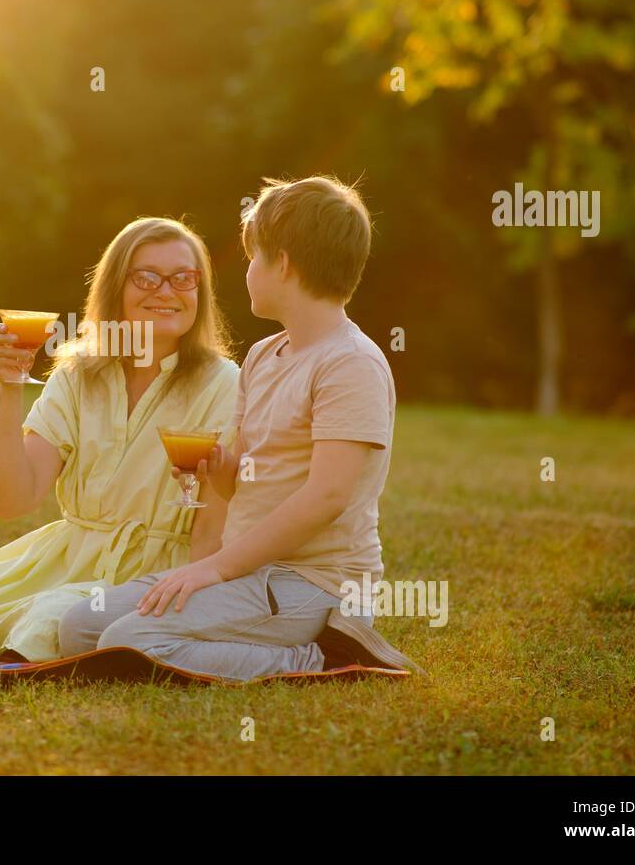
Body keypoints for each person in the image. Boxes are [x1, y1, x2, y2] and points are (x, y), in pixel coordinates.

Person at [58, 175, 422, 679]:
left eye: (253, 258)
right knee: (79, 628)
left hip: (315, 586)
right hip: (250, 570)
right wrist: (221, 468)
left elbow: (327, 498)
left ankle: (324, 658)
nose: (246, 270)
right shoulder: (262, 357)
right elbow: (244, 481)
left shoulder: (350, 364)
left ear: (283, 265)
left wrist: (212, 569)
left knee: (129, 642)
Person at [0, 217, 239, 662]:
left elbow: (211, 524)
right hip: (62, 559)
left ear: (199, 292)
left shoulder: (224, 384)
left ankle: (13, 657)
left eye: (183, 278)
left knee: (48, 617)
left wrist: (189, 605)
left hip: (160, 570)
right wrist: (10, 385)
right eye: (146, 276)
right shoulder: (78, 375)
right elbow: (13, 500)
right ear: (116, 287)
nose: (166, 290)